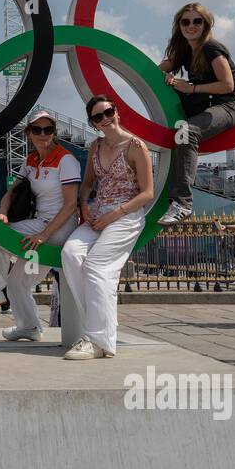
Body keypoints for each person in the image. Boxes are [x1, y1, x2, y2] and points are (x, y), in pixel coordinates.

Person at [0, 110, 82, 340]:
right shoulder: (30, 160)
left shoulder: (66, 159)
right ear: (28, 133)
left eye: (48, 129)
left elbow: (70, 205)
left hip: (59, 229)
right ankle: (29, 326)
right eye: (37, 129)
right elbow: (12, 192)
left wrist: (43, 236)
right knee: (17, 282)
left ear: (54, 132)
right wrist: (3, 213)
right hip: (39, 224)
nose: (43, 134)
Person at [60, 95, 155, 359]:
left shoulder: (136, 147)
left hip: (125, 215)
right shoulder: (95, 147)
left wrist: (115, 214)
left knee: (97, 267)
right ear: (93, 123)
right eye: (97, 117)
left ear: (117, 111)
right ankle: (96, 326)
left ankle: (98, 341)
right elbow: (88, 184)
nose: (105, 119)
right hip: (97, 215)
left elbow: (147, 193)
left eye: (108, 112)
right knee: (71, 254)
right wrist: (85, 205)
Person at [154, 3, 235, 225]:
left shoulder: (211, 48)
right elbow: (158, 70)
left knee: (186, 132)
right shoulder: (185, 51)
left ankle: (182, 204)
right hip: (204, 106)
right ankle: (171, 200)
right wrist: (168, 78)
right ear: (179, 25)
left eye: (197, 21)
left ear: (206, 25)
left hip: (228, 105)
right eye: (185, 21)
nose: (191, 26)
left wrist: (190, 88)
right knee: (176, 131)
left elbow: (228, 85)